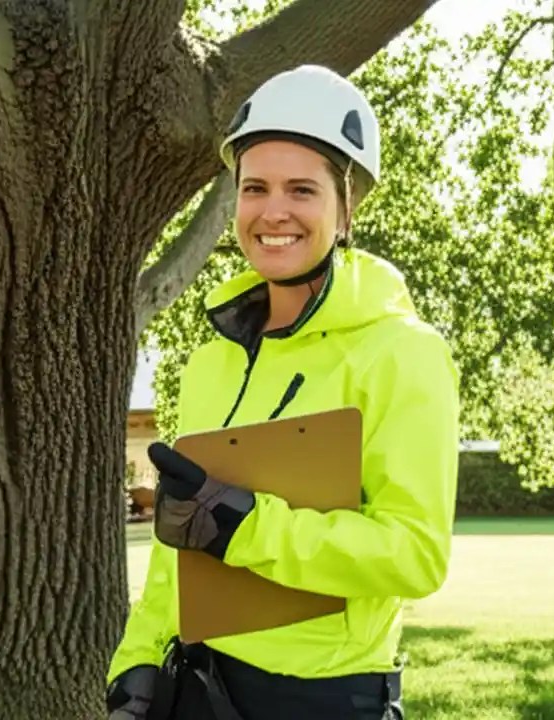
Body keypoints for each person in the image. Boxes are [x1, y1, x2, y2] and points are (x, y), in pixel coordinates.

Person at [105, 65, 460, 720]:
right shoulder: (212, 361)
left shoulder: (402, 352)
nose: (273, 212)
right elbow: (182, 534)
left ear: (347, 206)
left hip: (323, 699)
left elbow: (415, 555)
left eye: (302, 189)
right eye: (255, 188)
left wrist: (248, 528)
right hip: (200, 683)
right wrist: (140, 656)